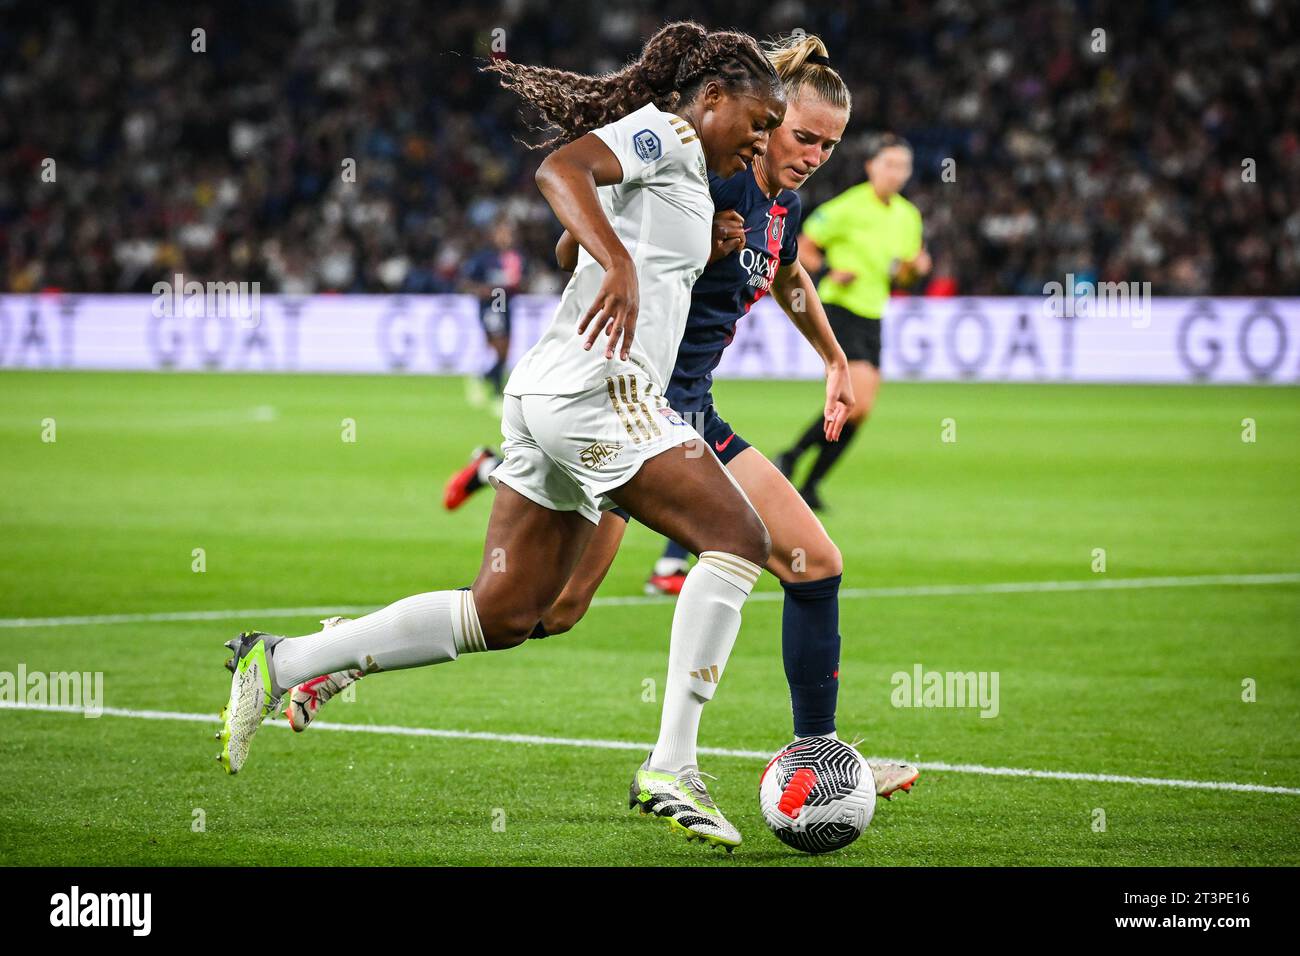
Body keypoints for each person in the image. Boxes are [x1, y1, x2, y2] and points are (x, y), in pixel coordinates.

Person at [216, 21, 787, 853]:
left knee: (509, 613)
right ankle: (673, 766)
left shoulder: (689, 171)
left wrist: (678, 245)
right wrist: (622, 265)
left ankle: (288, 659)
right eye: (759, 122)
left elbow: (570, 239)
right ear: (710, 99)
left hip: (548, 392)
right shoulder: (664, 132)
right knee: (739, 539)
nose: (763, 141)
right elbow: (560, 171)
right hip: (600, 390)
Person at [355, 33, 918, 803]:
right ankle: (346, 658)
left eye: (832, 144)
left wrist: (831, 356)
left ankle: (812, 756)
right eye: (803, 135)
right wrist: (645, 254)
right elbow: (566, 246)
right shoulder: (701, 167)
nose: (817, 153)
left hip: (692, 415)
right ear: (771, 115)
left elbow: (785, 272)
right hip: (634, 410)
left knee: (805, 562)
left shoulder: (780, 201)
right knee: (547, 609)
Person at [775, 133, 931, 510]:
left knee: (861, 410)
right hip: (839, 308)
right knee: (855, 404)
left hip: (873, 312)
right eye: (889, 164)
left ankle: (807, 479)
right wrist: (829, 269)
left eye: (902, 167)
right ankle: (792, 457)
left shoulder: (908, 217)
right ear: (871, 167)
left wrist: (914, 270)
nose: (896, 174)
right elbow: (804, 245)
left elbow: (903, 276)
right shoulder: (847, 207)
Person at [461, 217, 525, 400]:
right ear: (493, 235)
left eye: (508, 234)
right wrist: (483, 290)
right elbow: (465, 283)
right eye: (501, 233)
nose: (505, 237)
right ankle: (494, 386)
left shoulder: (516, 257)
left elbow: (521, 282)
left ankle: (488, 380)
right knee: (499, 346)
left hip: (506, 305)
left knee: (506, 350)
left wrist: (516, 284)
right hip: (491, 306)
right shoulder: (483, 258)